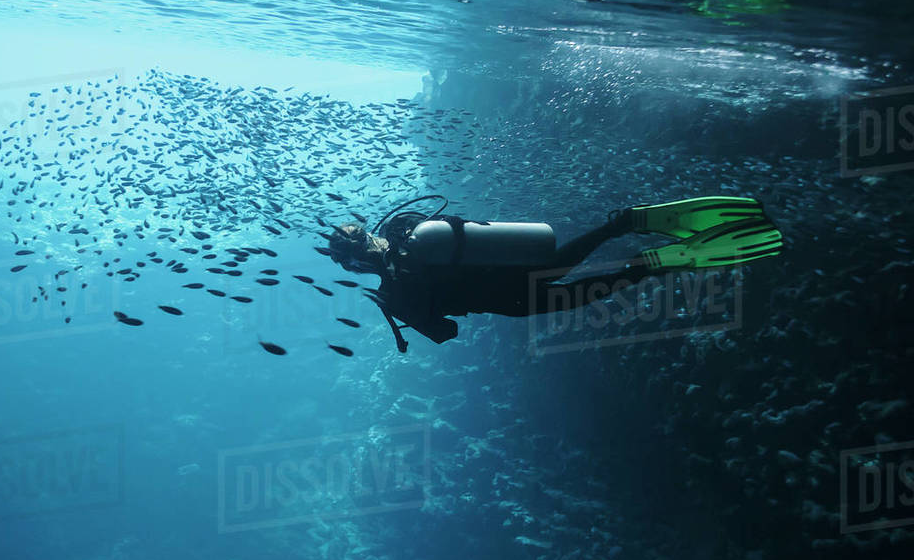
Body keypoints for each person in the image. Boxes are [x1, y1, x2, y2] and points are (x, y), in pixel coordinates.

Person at [320, 196, 783, 352]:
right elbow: (465, 227)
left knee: (585, 292)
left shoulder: (393, 291)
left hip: (512, 302)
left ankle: (652, 264)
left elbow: (448, 331)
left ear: (354, 263)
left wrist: (399, 314)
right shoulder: (408, 229)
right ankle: (624, 222)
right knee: (565, 260)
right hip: (519, 265)